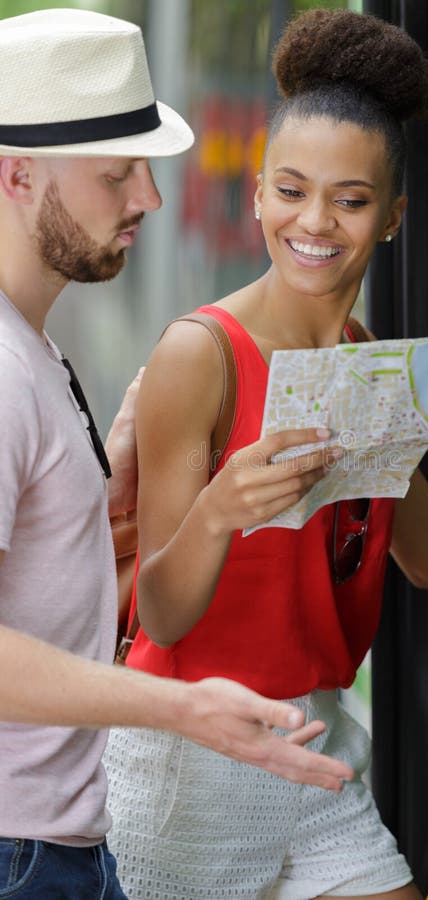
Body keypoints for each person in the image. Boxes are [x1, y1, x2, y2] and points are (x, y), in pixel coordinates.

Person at [104, 7, 428, 900]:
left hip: (314, 746)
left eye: (350, 200)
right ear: (256, 195)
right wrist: (218, 512)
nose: (314, 221)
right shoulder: (199, 354)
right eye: (290, 189)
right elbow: (161, 615)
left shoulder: (368, 362)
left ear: (393, 217)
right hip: (189, 762)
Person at [0, 9, 355, 900]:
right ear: (17, 174)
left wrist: (101, 487)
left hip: (57, 849)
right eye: (118, 172)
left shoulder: (31, 351)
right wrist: (187, 707)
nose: (150, 199)